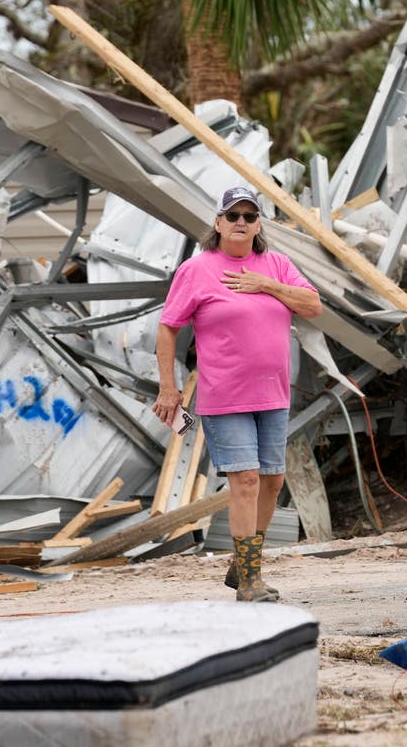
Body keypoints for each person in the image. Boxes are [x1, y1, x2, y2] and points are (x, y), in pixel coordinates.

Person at [153, 186, 322, 602]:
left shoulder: (277, 265)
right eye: (232, 216)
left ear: (259, 223)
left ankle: (243, 564)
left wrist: (265, 285)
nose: (241, 223)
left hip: (274, 394)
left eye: (249, 216)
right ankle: (250, 581)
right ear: (217, 223)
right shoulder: (197, 270)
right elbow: (168, 326)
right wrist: (169, 387)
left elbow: (313, 305)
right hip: (225, 395)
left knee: (272, 480)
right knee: (245, 479)